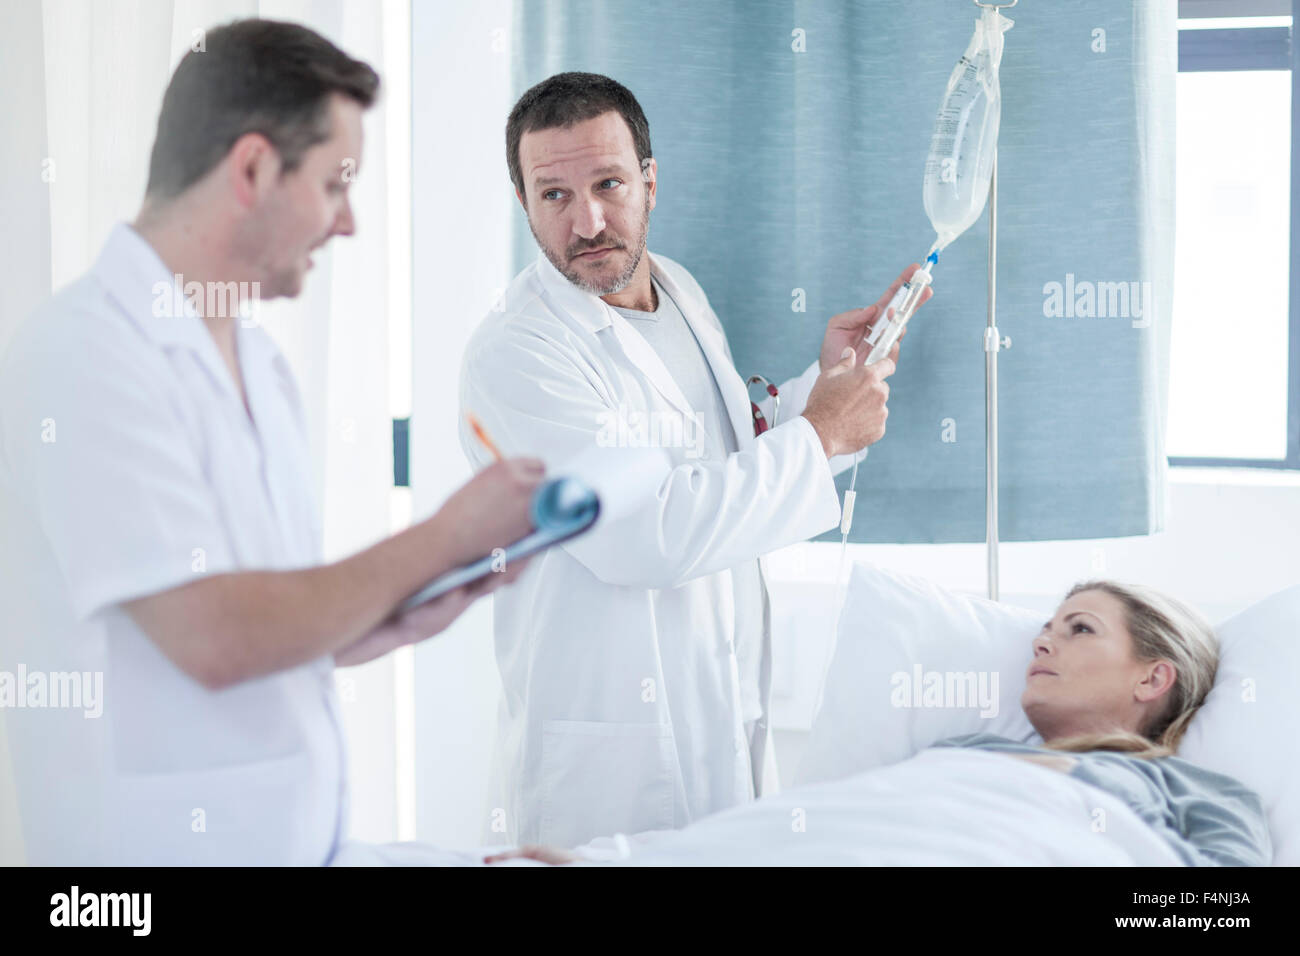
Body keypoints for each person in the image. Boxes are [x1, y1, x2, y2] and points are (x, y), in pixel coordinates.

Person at [0, 18, 540, 866]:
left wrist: (398, 613)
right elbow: (215, 637)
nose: (350, 223)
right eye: (336, 184)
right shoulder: (83, 356)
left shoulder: (259, 362)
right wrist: (445, 535)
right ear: (252, 167)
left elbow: (267, 613)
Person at [460, 71, 931, 847]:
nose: (588, 220)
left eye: (610, 183)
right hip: (604, 758)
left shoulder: (677, 289)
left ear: (651, 180)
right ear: (524, 204)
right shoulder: (516, 353)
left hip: (721, 711)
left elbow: (720, 452)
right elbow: (645, 534)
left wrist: (824, 389)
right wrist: (818, 436)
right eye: (554, 195)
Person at [489, 580, 1270, 866]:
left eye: (1079, 629)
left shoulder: (1189, 793)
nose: (1043, 639)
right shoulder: (962, 754)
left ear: (1152, 676)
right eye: (1049, 625)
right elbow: (826, 836)